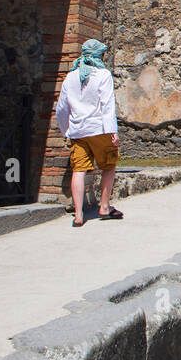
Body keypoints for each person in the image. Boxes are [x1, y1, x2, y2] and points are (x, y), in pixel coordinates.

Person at [55, 38, 123, 228]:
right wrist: (113, 131)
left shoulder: (70, 77)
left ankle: (78, 215)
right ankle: (104, 206)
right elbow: (107, 104)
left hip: (78, 131)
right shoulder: (103, 74)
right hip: (100, 129)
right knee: (109, 166)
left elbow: (61, 108)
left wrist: (66, 130)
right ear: (99, 55)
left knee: (79, 170)